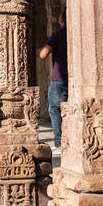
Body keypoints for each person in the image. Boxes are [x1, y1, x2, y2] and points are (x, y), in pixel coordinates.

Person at [39, 10, 68, 151]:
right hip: (76, 80)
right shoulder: (79, 34)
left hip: (60, 79)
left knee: (55, 109)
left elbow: (43, 54)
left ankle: (59, 142)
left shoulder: (59, 35)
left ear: (62, 20)